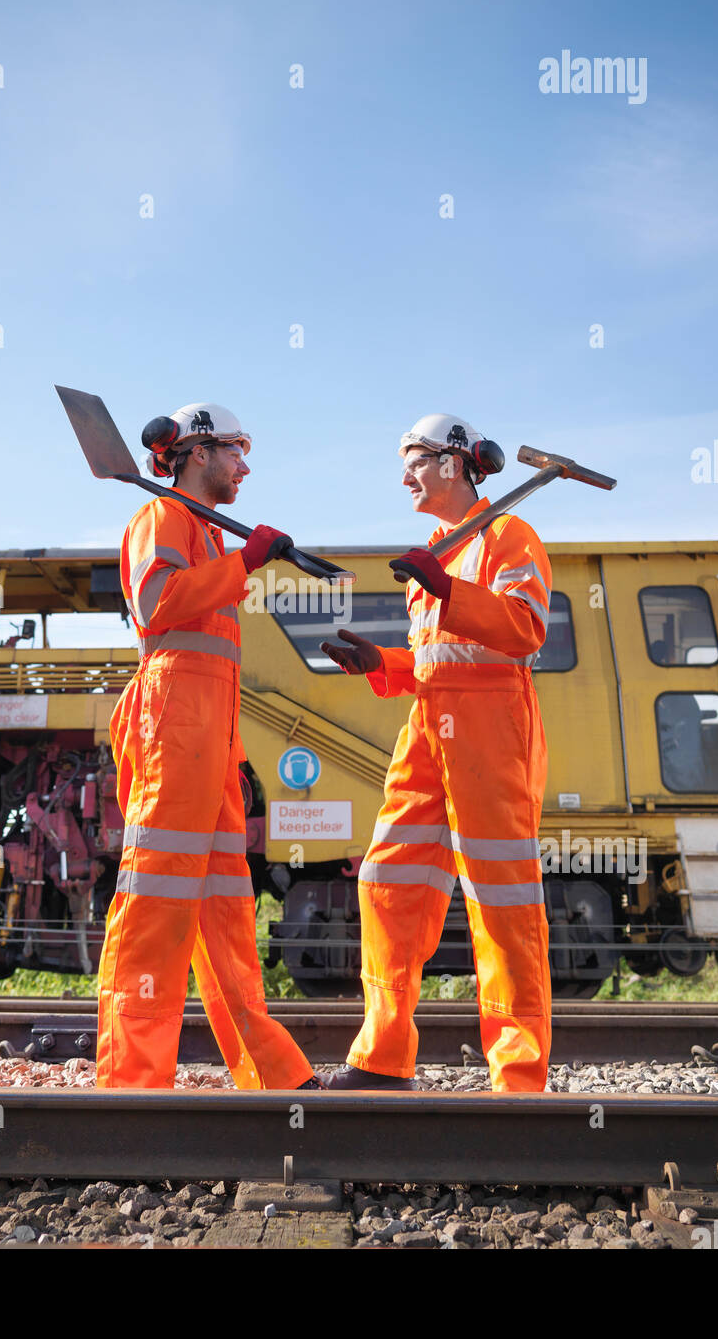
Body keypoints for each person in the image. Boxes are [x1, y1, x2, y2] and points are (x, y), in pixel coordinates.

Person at [320, 416, 553, 1093]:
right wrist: (382, 662)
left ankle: (517, 1075)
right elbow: (436, 661)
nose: (404, 476)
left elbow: (522, 631)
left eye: (414, 461)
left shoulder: (510, 537)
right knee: (384, 884)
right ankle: (383, 1056)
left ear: (453, 463)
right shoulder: (435, 553)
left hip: (491, 736)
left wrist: (448, 589)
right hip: (429, 730)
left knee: (499, 903)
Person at [96, 402, 320, 1090]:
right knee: (155, 901)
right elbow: (156, 604)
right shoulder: (161, 518)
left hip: (208, 733)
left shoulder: (202, 532)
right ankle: (133, 1081)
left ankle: (271, 1071)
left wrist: (239, 559)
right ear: (197, 452)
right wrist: (247, 561)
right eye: (235, 451)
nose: (244, 465)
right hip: (174, 724)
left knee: (227, 910)